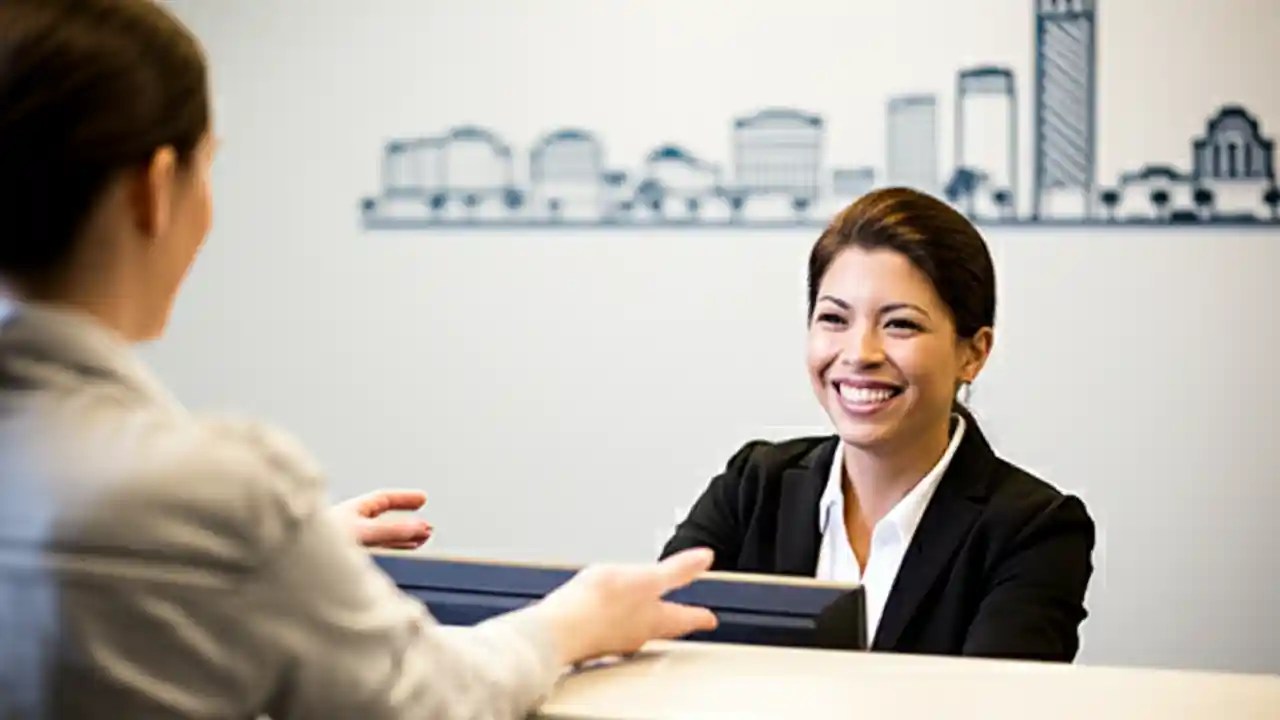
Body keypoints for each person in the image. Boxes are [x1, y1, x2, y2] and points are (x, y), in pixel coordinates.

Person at [0, 1, 716, 718]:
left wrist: (286, 558)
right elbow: (430, 699)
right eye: (207, 169)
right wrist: (570, 624)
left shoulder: (202, 511)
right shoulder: (215, 492)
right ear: (153, 189)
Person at [662, 187, 1095, 662]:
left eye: (900, 324)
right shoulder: (754, 487)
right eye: (834, 318)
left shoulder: (1033, 531)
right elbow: (657, 647)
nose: (859, 354)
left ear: (973, 352)